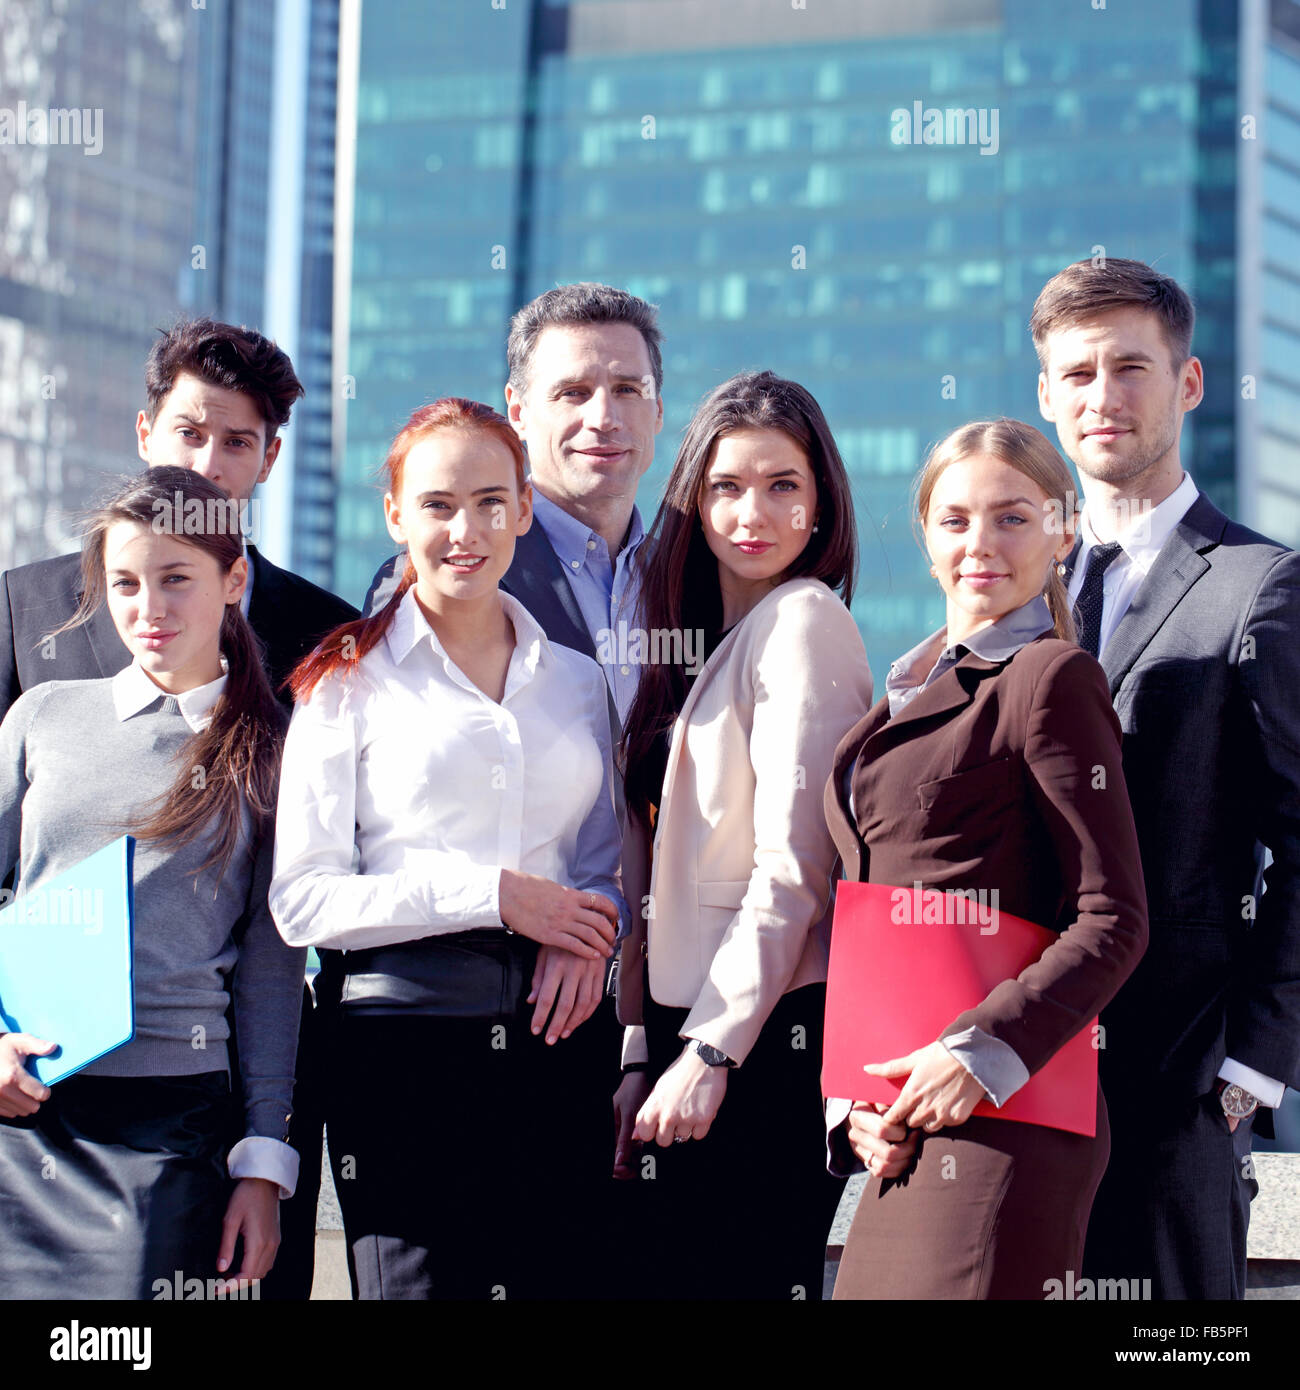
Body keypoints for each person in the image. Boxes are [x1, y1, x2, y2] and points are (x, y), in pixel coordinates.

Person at [0, 316, 358, 1299]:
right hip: (30, 1083)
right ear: (146, 431)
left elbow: (284, 926)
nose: (210, 460)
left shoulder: (326, 637)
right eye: (192, 432)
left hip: (211, 1102)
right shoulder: (24, 610)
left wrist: (264, 1149)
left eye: (239, 440)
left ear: (271, 458)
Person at [269, 398, 627, 1300]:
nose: (465, 530)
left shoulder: (579, 685)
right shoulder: (341, 682)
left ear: (525, 511)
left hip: (561, 1050)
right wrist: (495, 895)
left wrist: (591, 933)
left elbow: (602, 864)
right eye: (436, 504)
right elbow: (303, 900)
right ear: (395, 516)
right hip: (402, 1059)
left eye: (490, 502)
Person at [823, 418, 1148, 1300]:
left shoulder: (1049, 678)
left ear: (1062, 531)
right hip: (903, 1118)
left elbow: (1112, 918)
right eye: (956, 519)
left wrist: (976, 1053)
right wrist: (853, 1100)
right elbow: (880, 908)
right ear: (926, 535)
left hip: (1008, 1112)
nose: (981, 544)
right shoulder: (901, 686)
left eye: (1012, 518)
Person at [1031, 257, 1300, 1299]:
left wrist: (1251, 1063)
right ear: (1046, 396)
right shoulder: (1014, 586)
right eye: (1079, 374)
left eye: (1130, 368)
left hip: (1181, 1076)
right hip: (1021, 1063)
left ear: (1188, 385)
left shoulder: (1258, 585)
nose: (1104, 397)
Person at [614, 370, 873, 1299]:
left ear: (821, 502)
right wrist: (644, 1043)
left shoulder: (804, 620)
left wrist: (713, 1050)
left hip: (761, 1042)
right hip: (694, 1034)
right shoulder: (701, 642)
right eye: (726, 486)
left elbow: (793, 870)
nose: (751, 512)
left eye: (782, 486)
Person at [363, 283, 662, 728]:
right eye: (574, 392)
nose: (604, 418)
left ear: (658, 410)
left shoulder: (688, 575)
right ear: (518, 413)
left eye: (627, 390)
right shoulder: (438, 572)